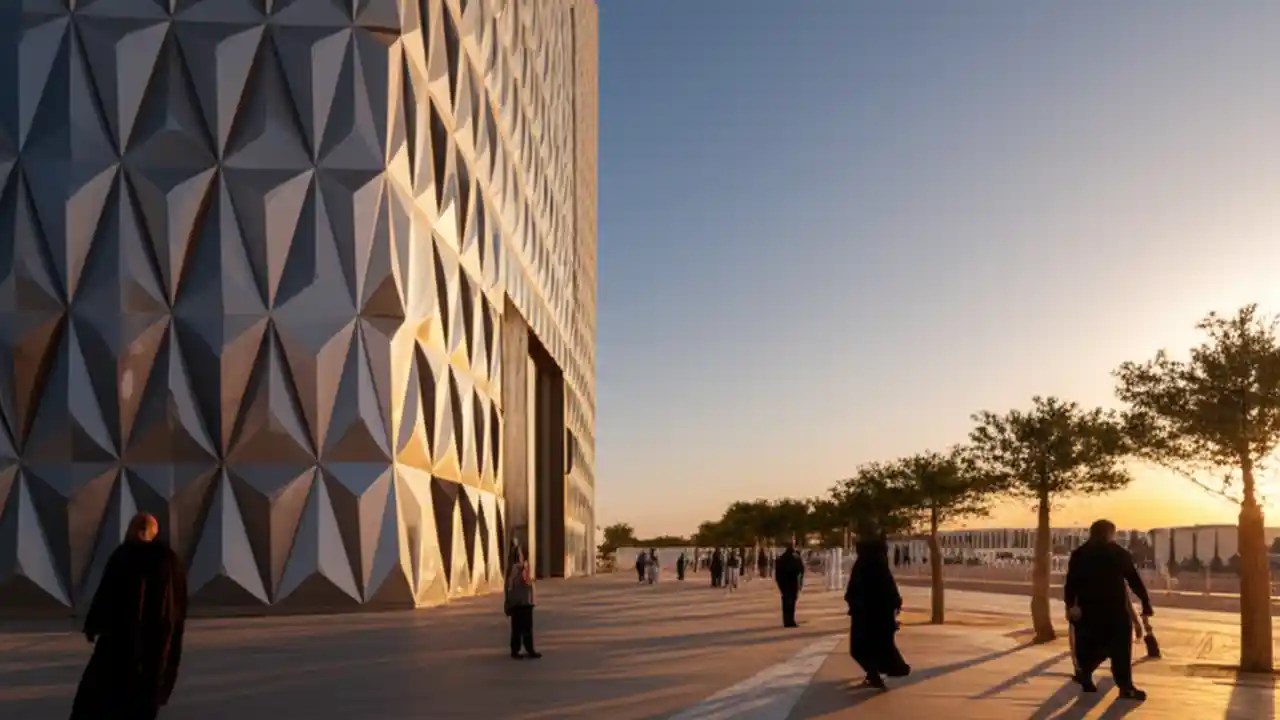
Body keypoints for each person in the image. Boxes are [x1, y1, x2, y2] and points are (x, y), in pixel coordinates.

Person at [71, 513, 188, 720]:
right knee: (147, 690)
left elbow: (106, 593)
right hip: (158, 638)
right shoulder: (170, 560)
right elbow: (180, 599)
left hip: (121, 638)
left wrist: (93, 625)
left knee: (101, 693)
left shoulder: (124, 555)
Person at [1064, 519, 1153, 701]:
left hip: (1088, 610)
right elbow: (1134, 580)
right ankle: (1125, 687)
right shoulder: (1117, 553)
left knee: (1092, 646)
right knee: (1120, 649)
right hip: (1115, 610)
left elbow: (1070, 583)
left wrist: (1071, 606)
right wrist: (1145, 602)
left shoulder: (1080, 554)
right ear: (1109, 533)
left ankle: (1085, 674)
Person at [845, 535, 910, 690]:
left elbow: (854, 589)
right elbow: (890, 588)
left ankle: (873, 675)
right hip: (882, 615)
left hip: (864, 615)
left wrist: (853, 602)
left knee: (860, 648)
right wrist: (895, 605)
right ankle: (873, 675)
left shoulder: (863, 564)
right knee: (879, 646)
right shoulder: (880, 563)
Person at [505, 545, 541, 660]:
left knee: (523, 627)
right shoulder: (517, 568)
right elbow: (520, 583)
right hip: (521, 602)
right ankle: (518, 650)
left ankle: (525, 648)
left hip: (524, 601)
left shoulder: (515, 568)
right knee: (521, 628)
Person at [775, 542, 805, 628]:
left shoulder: (781, 558)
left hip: (784, 583)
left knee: (785, 602)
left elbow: (777, 573)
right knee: (792, 602)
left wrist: (780, 584)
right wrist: (800, 583)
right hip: (793, 582)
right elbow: (801, 570)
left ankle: (786, 620)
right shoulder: (796, 557)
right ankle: (791, 620)